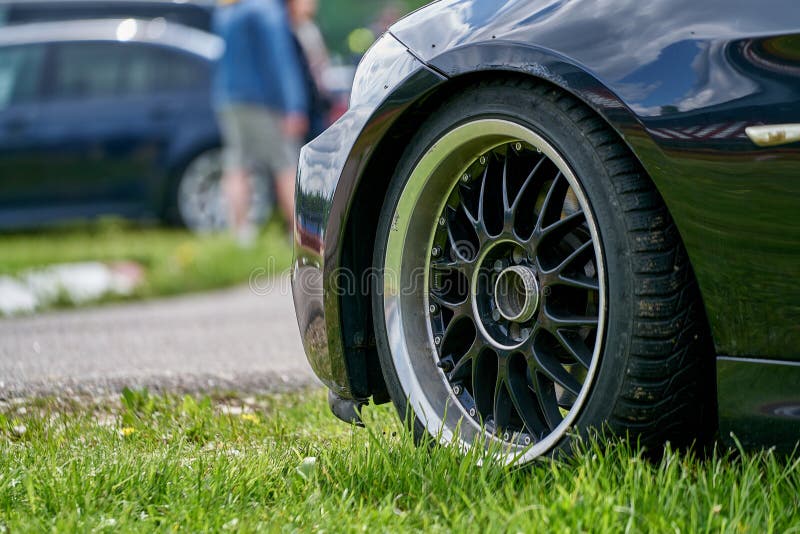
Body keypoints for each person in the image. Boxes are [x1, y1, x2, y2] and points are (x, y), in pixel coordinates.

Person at [213, 0, 308, 244]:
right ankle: (301, 235)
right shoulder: (266, 11)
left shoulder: (226, 11)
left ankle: (241, 235)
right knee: (286, 163)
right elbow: (280, 61)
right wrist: (294, 105)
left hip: (228, 99)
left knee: (236, 165)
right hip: (261, 101)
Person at [286, 0, 332, 140]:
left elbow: (321, 63)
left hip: (314, 98)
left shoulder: (309, 29)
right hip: (300, 99)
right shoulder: (287, 29)